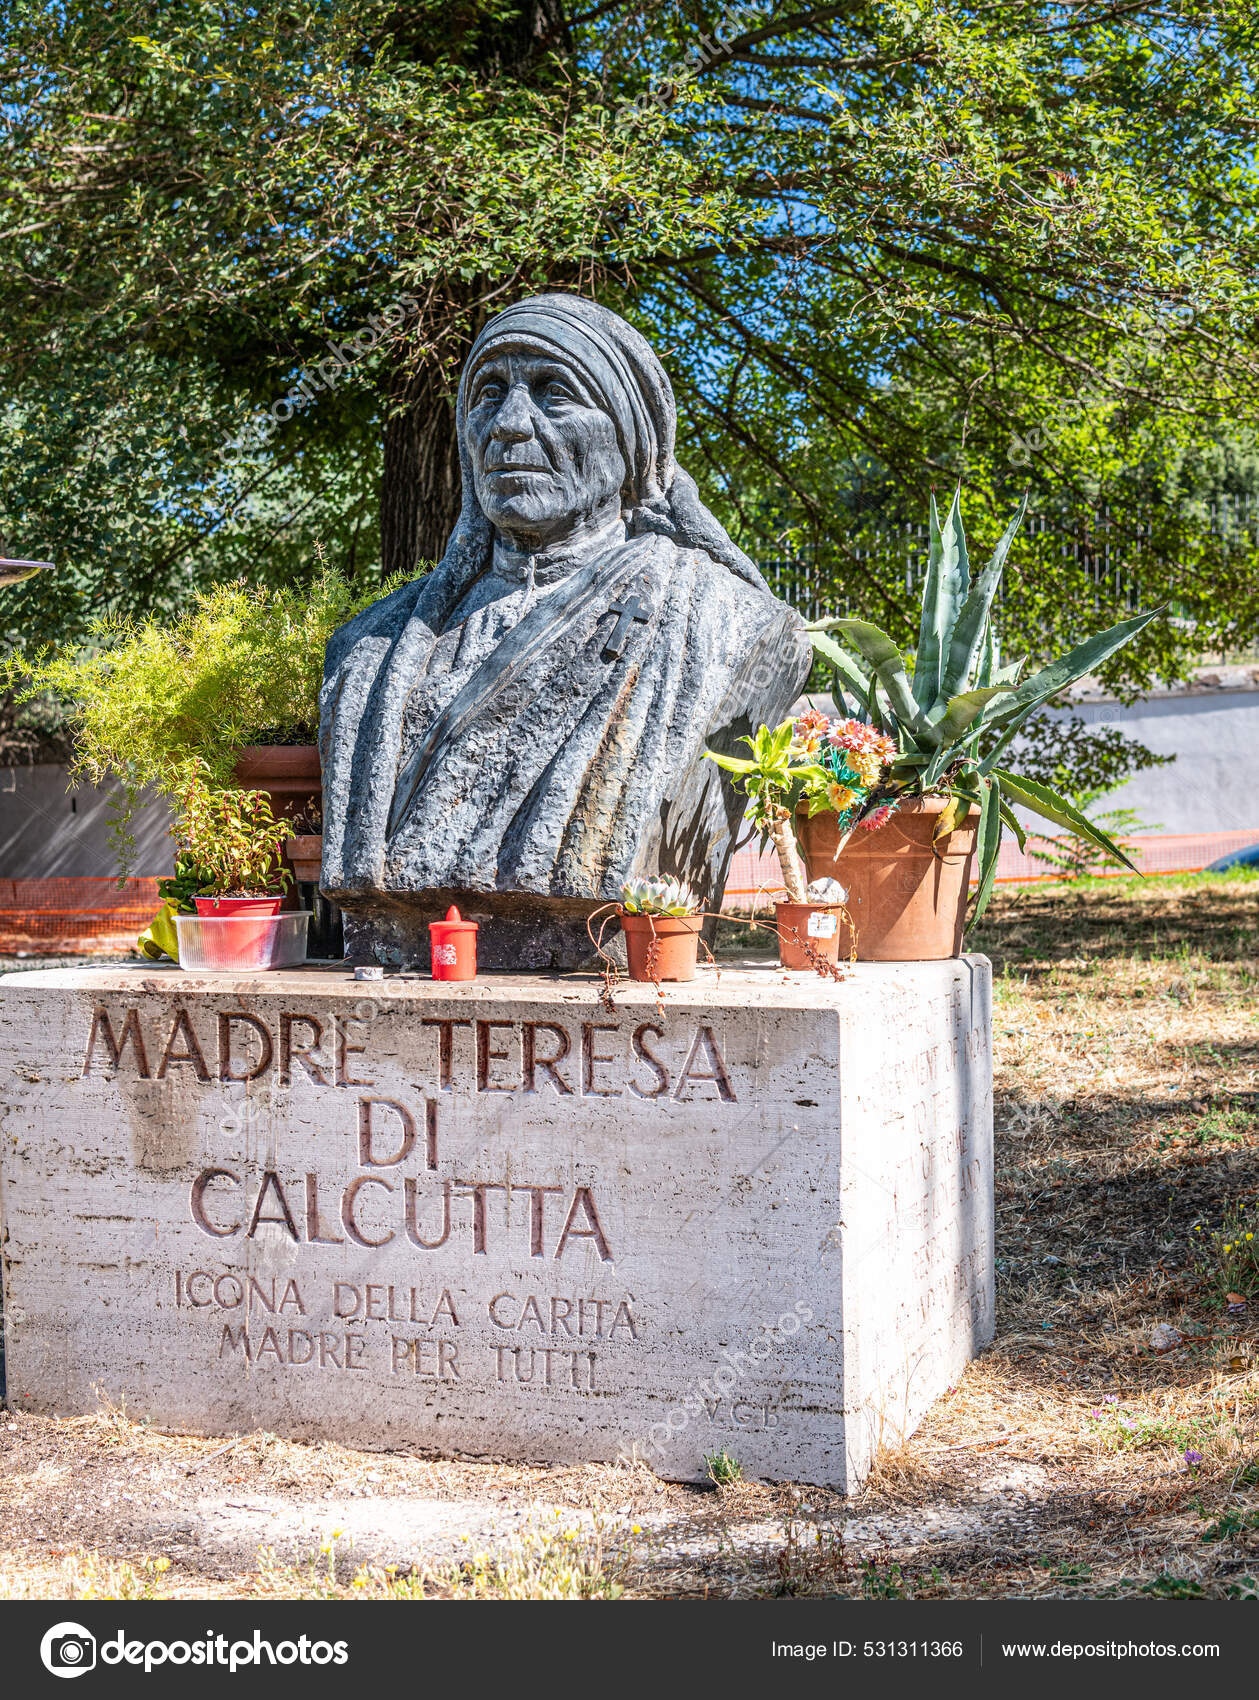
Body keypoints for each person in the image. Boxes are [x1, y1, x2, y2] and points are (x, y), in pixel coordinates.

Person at [320, 294, 809, 966]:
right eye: (488, 393)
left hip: (616, 957)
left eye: (553, 393)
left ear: (631, 437)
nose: (510, 424)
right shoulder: (368, 649)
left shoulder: (728, 623)